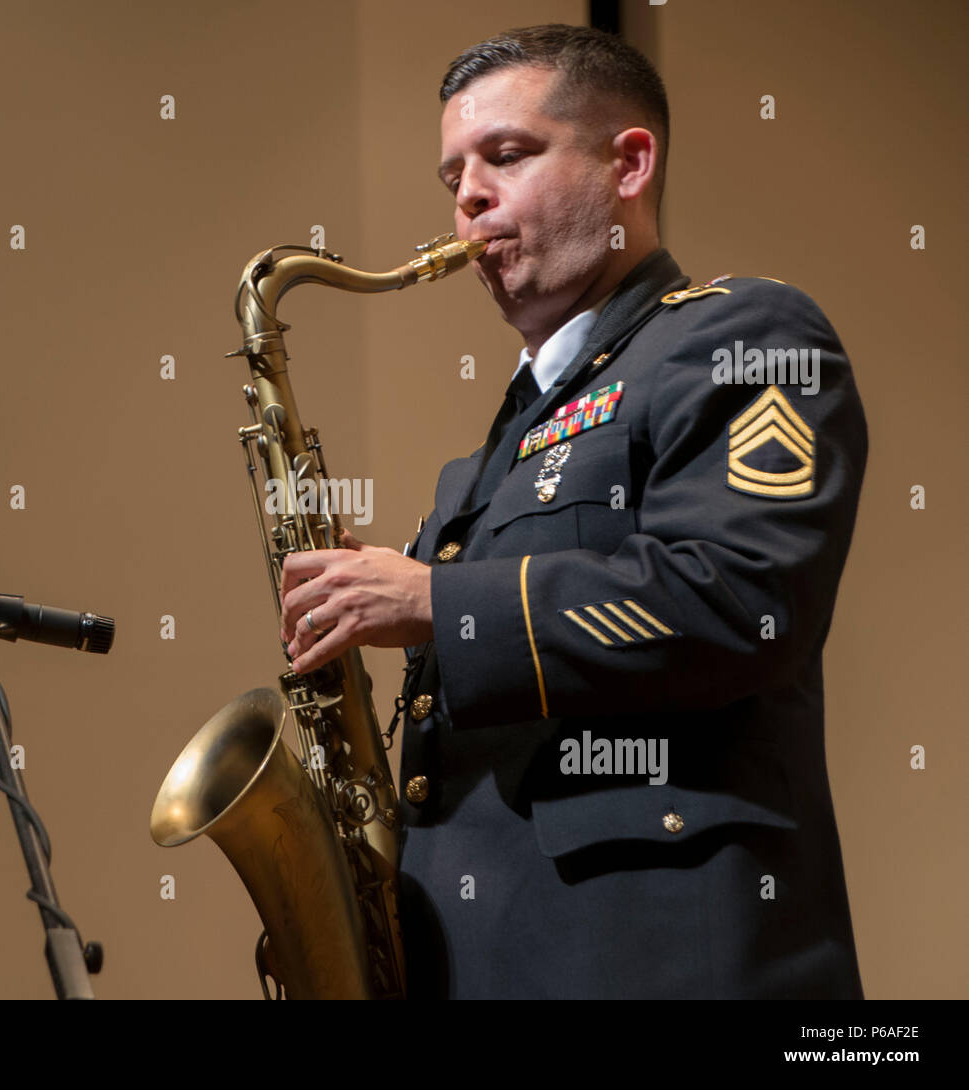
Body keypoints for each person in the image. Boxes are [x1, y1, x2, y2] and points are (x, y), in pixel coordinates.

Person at [277, 24, 866, 999]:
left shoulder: (744, 333)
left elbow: (742, 597)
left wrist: (439, 600)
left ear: (628, 162)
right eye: (452, 174)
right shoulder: (478, 469)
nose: (467, 195)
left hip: (655, 961)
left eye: (505, 155)